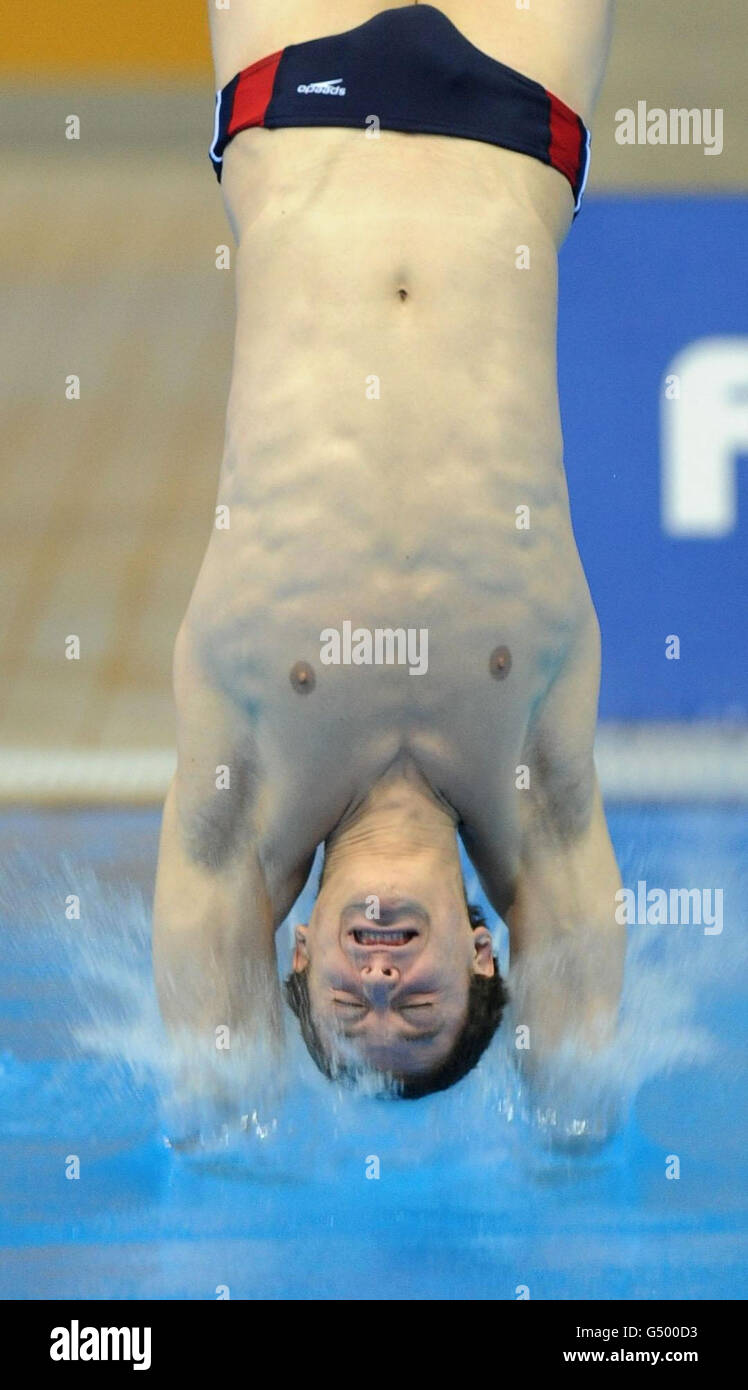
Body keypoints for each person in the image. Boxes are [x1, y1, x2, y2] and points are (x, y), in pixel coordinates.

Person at [153, 1, 625, 1098]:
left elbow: (211, 1095)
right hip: (515, 97)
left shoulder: (252, 777)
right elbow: (583, 1086)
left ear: (298, 952)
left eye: (346, 1001)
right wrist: (571, 1133)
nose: (379, 976)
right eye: (418, 1003)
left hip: (293, 83)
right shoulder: (528, 781)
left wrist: (230, 1122)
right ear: (478, 952)